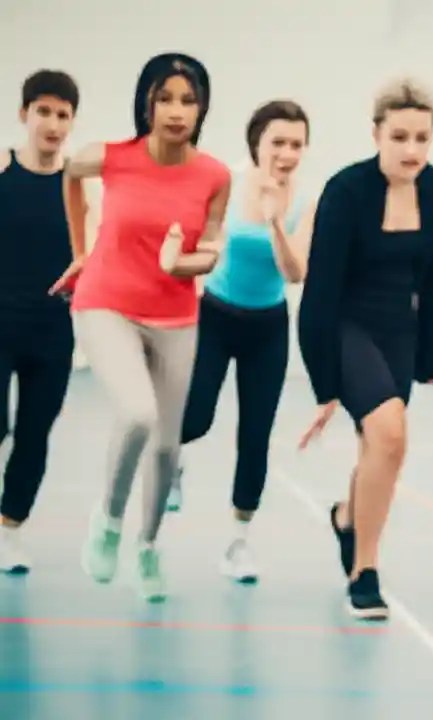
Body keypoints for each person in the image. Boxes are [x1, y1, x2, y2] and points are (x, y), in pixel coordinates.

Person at [51, 53, 231, 602]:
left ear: (202, 109)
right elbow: (69, 176)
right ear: (146, 103)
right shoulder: (107, 157)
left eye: (188, 100)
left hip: (176, 315)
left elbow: (212, 250)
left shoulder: (214, 175)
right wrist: (81, 251)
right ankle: (107, 522)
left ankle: (148, 545)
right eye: (166, 98)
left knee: (165, 448)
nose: (177, 111)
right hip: (106, 302)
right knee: (136, 412)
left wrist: (184, 264)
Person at [297, 78, 433, 621]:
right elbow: (319, 292)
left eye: (422, 138)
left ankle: (348, 517)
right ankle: (364, 571)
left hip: (400, 332)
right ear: (376, 134)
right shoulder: (345, 191)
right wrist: (323, 384)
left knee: (378, 447)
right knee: (391, 433)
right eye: (400, 137)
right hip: (346, 326)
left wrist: (428, 356)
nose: (412, 149)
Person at [174, 100, 315, 582]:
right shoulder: (225, 183)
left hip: (268, 326)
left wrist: (277, 220)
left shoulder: (304, 200)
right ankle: (173, 461)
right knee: (194, 419)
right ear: (256, 143)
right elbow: (196, 243)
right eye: (278, 142)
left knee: (255, 436)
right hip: (216, 315)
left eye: (296, 144)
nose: (287, 153)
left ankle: (239, 541)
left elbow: (295, 272)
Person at [0, 70, 80, 574]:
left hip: (53, 330)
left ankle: (9, 528)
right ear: (24, 114)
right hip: (0, 321)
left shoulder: (77, 183)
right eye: (44, 111)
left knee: (34, 432)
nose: (53, 123)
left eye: (63, 114)